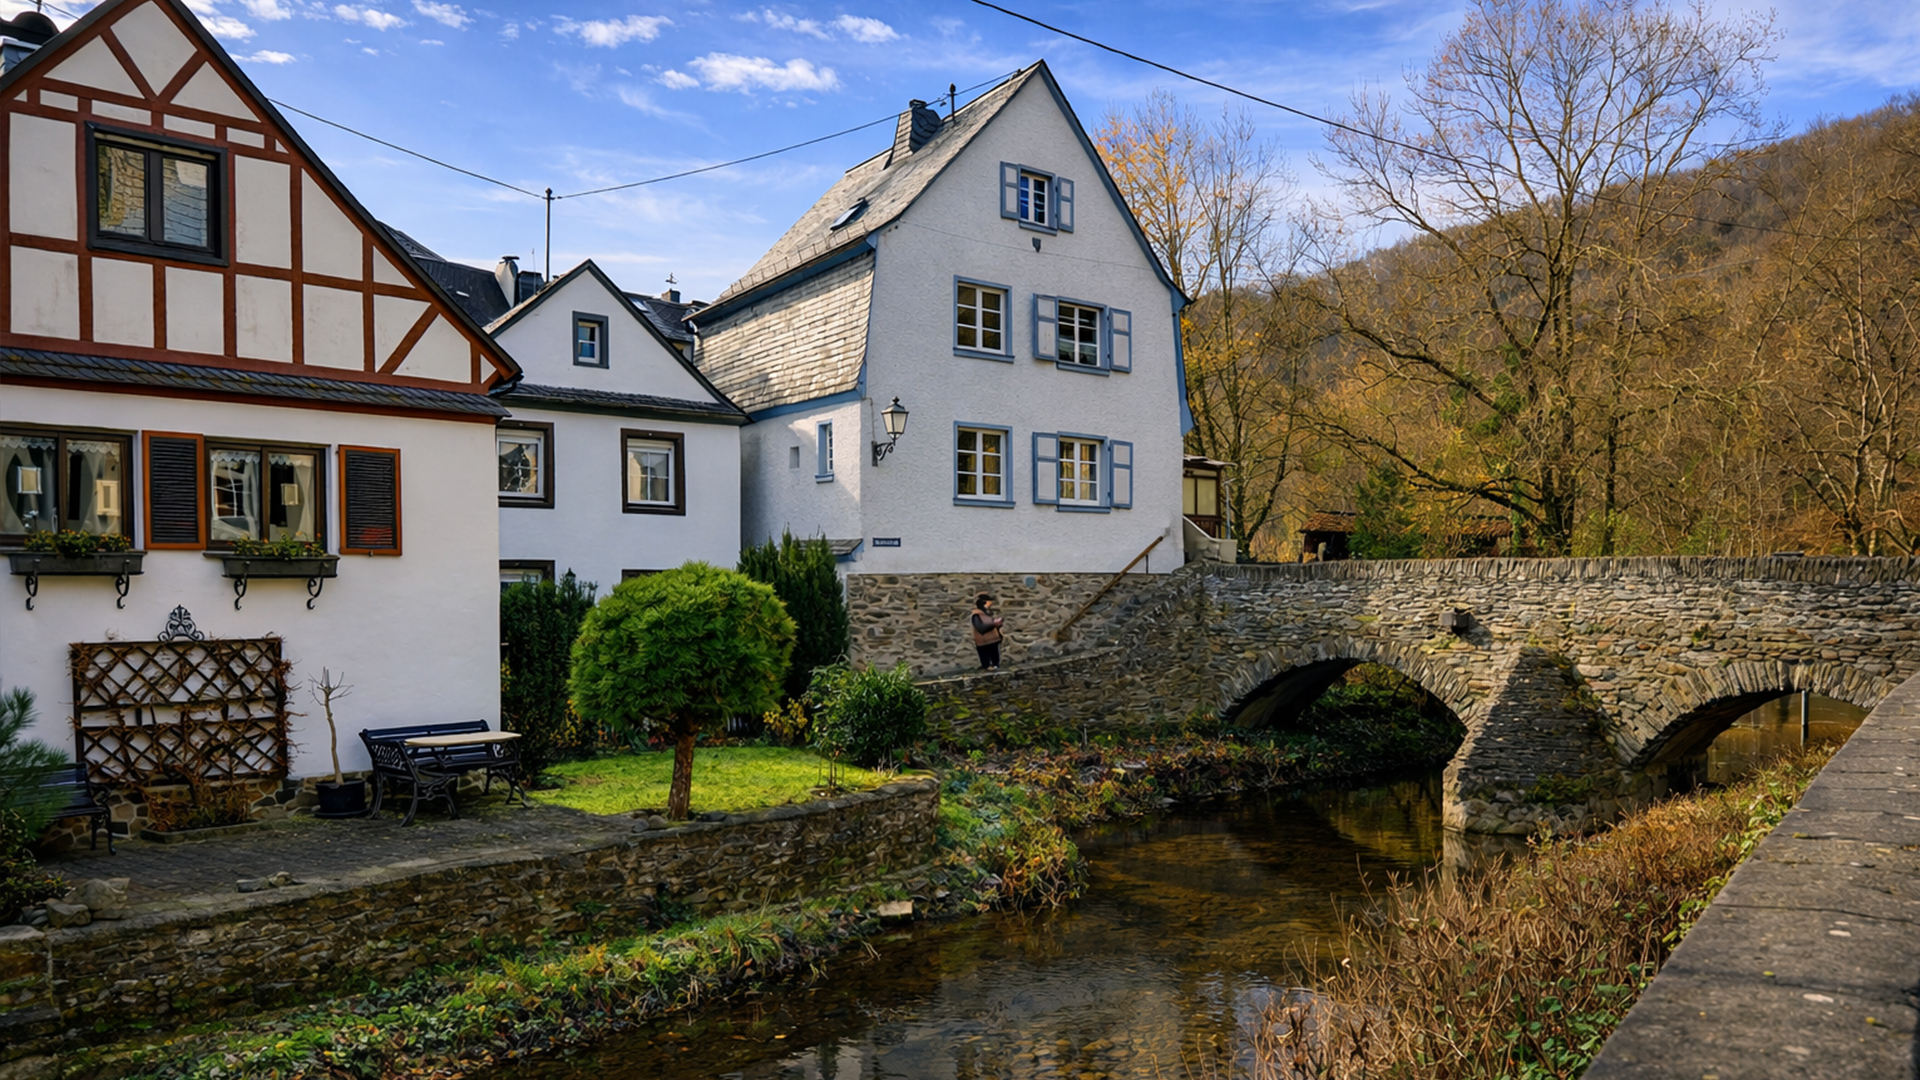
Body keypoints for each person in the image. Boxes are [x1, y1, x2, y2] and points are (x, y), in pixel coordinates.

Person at [970, 592, 1004, 671]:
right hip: (983, 641)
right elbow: (981, 628)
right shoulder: (976, 615)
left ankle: (995, 665)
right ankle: (987, 667)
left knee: (994, 655)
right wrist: (993, 623)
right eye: (989, 603)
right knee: (985, 657)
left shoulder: (986, 614)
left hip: (993, 640)